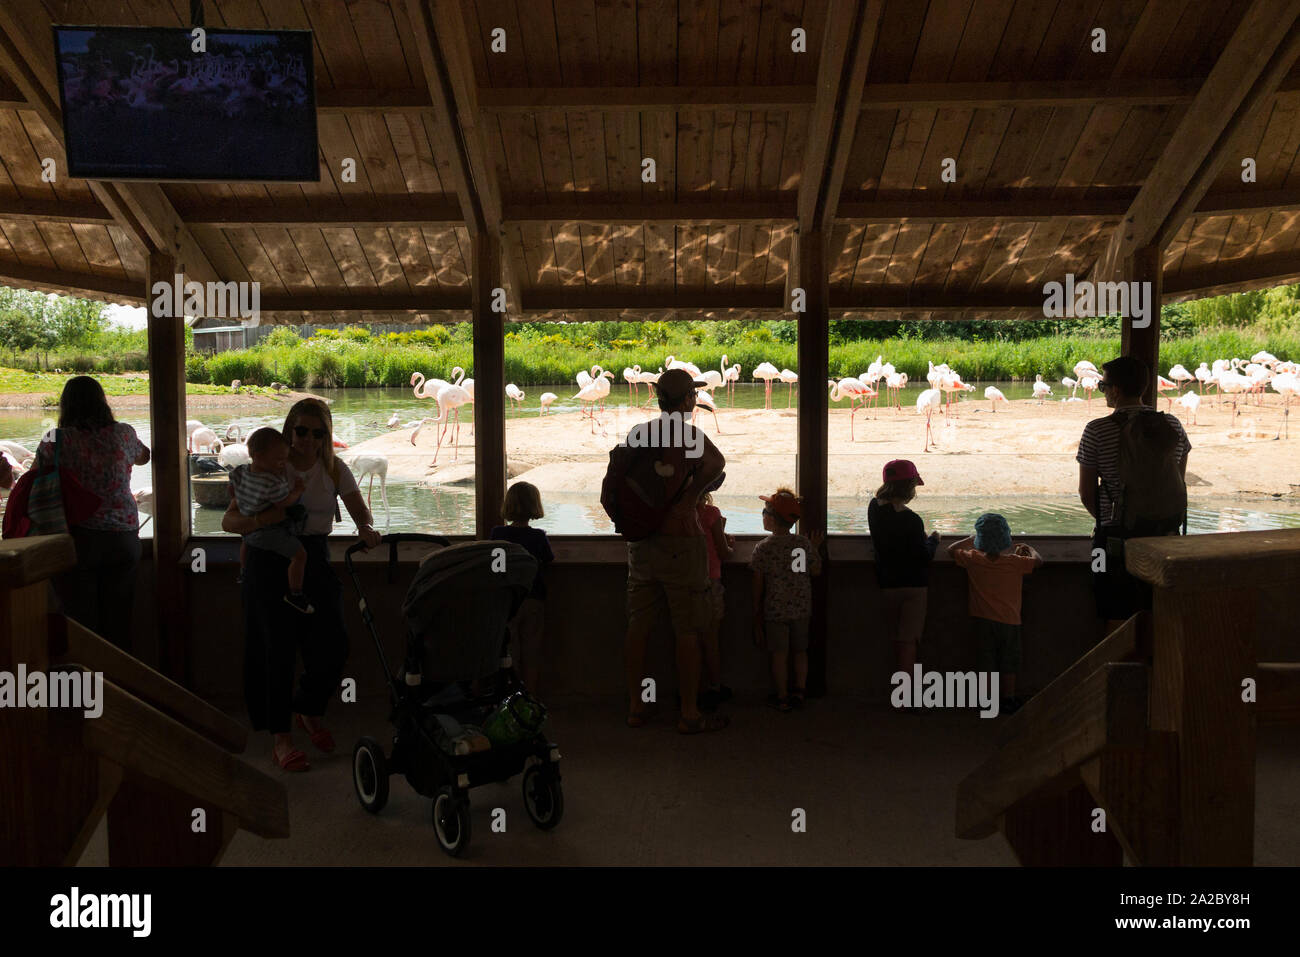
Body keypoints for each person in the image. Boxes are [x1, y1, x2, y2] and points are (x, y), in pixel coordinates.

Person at [222, 398, 382, 772]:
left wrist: (365, 527)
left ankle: (308, 709)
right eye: (302, 431)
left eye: (318, 432)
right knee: (275, 651)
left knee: (334, 643)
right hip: (267, 557)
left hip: (313, 554)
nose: (309, 439)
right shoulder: (265, 467)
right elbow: (230, 523)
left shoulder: (334, 468)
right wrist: (265, 519)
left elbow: (358, 507)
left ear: (327, 435)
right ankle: (281, 738)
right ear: (289, 430)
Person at [618, 368, 727, 734]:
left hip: (642, 542)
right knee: (687, 629)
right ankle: (690, 713)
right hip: (682, 539)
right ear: (687, 400)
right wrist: (692, 497)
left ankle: (636, 706)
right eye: (692, 395)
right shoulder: (689, 435)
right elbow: (717, 464)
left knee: (639, 627)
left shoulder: (639, 433)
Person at [34, 376, 150, 652]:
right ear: (102, 401)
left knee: (82, 626)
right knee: (119, 622)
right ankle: (123, 687)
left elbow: (36, 476)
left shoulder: (55, 439)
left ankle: (87, 690)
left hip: (77, 538)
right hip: (123, 537)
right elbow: (144, 456)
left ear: (65, 405)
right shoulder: (123, 433)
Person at [1076, 356, 1190, 635]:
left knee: (1112, 608)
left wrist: (1114, 520)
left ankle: (1118, 673)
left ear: (1115, 390)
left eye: (1103, 386)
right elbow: (1179, 478)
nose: (1103, 391)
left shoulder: (1097, 429)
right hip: (1166, 536)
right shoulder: (1172, 425)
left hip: (1113, 539)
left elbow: (1086, 492)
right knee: (1159, 610)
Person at [947, 513, 1043, 716]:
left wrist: (968, 540)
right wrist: (1029, 549)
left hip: (982, 620)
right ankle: (1008, 699)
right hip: (1010, 621)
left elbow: (951, 550)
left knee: (986, 661)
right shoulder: (1016, 562)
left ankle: (986, 700)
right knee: (1009, 662)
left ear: (979, 540)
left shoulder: (973, 559)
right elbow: (1038, 562)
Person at [750, 488, 824, 711]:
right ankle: (799, 693)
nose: (762, 515)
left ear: (772, 520)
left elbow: (757, 584)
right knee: (801, 651)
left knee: (779, 654)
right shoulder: (802, 545)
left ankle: (782, 696)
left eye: (765, 512)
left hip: (775, 610)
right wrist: (816, 548)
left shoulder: (763, 548)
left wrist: (756, 613)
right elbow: (815, 571)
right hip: (801, 608)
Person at [867, 460, 940, 677]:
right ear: (909, 487)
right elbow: (924, 555)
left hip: (887, 582)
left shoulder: (874, 509)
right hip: (914, 585)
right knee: (908, 642)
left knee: (895, 639)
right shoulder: (912, 520)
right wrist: (934, 540)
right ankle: (906, 698)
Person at [229, 428, 313, 614]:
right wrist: (297, 491)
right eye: (279, 460)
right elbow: (284, 503)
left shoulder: (241, 471)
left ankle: (243, 573)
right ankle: (295, 593)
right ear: (258, 456)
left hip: (248, 528)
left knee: (245, 541)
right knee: (300, 556)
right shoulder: (270, 482)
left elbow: (231, 487)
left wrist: (241, 498)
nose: (283, 464)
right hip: (269, 532)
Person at [490, 481, 554, 691]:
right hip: (533, 598)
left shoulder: (498, 535)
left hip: (506, 601)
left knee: (508, 652)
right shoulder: (538, 537)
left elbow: (495, 569)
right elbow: (547, 561)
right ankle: (530, 697)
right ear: (535, 506)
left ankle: (508, 696)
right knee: (532, 651)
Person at [696, 476, 734, 712]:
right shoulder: (712, 514)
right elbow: (724, 552)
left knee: (688, 637)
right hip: (710, 581)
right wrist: (730, 542)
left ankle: (690, 687)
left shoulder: (679, 514)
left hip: (686, 582)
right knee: (711, 639)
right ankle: (713, 687)